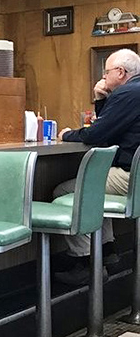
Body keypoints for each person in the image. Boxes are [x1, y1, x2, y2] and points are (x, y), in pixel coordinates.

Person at [54, 47, 140, 284]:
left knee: (66, 191)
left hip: (130, 176)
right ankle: (108, 250)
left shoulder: (128, 94)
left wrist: (68, 135)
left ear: (121, 72)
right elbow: (111, 130)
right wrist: (102, 100)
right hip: (135, 176)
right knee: (97, 185)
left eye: (106, 73)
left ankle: (86, 261)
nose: (103, 78)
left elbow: (97, 135)